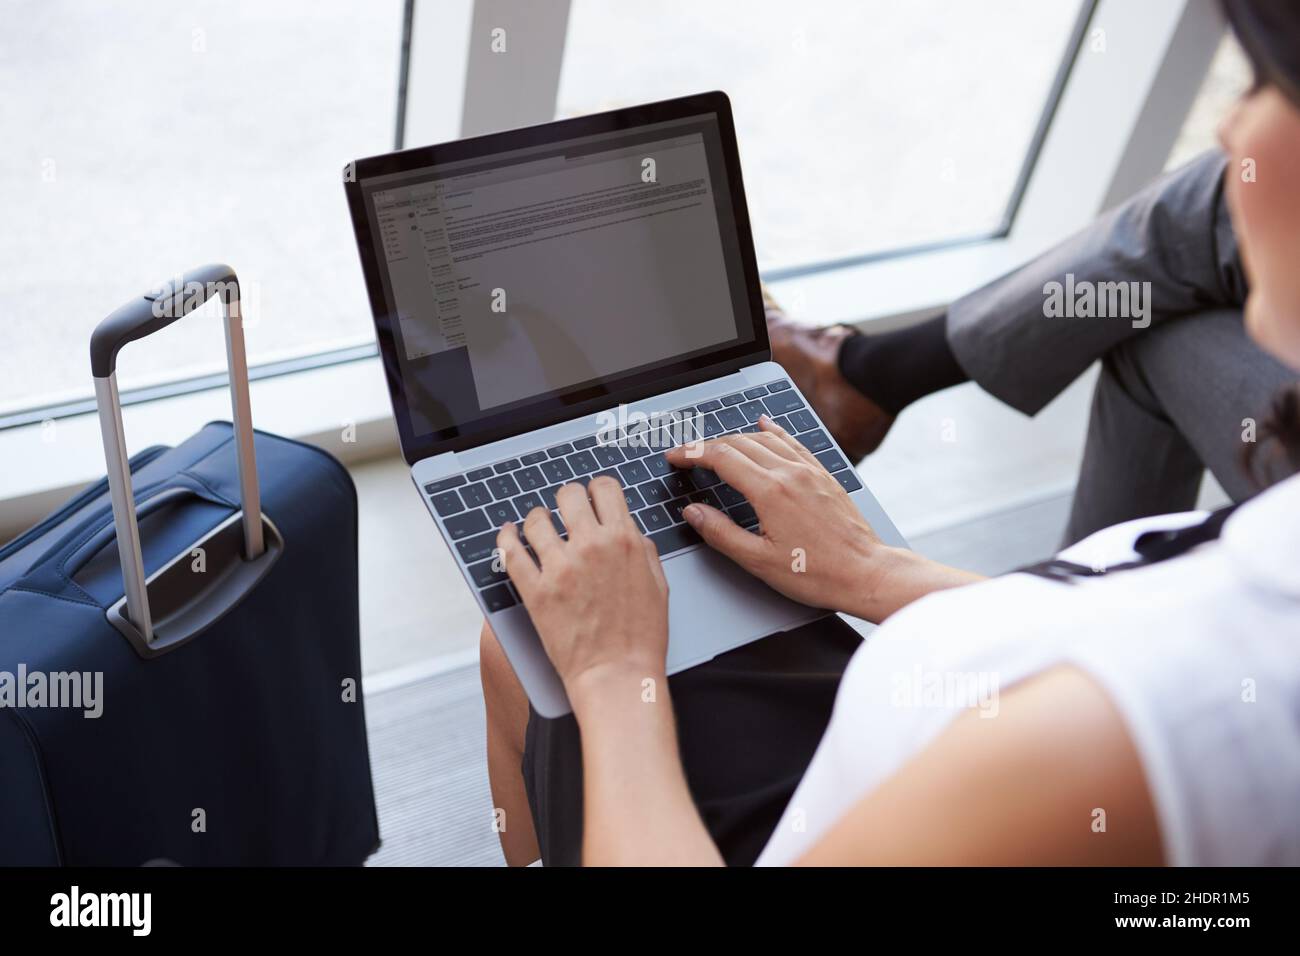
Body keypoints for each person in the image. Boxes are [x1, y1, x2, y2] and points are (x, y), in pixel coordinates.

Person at [480, 0, 1300, 865]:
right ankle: (860, 377)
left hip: (809, 813)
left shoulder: (1135, 732)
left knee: (521, 633)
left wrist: (614, 676)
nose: (1230, 125)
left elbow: (1115, 696)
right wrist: (877, 570)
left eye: (1270, 84)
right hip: (922, 708)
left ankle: (860, 378)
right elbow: (1113, 621)